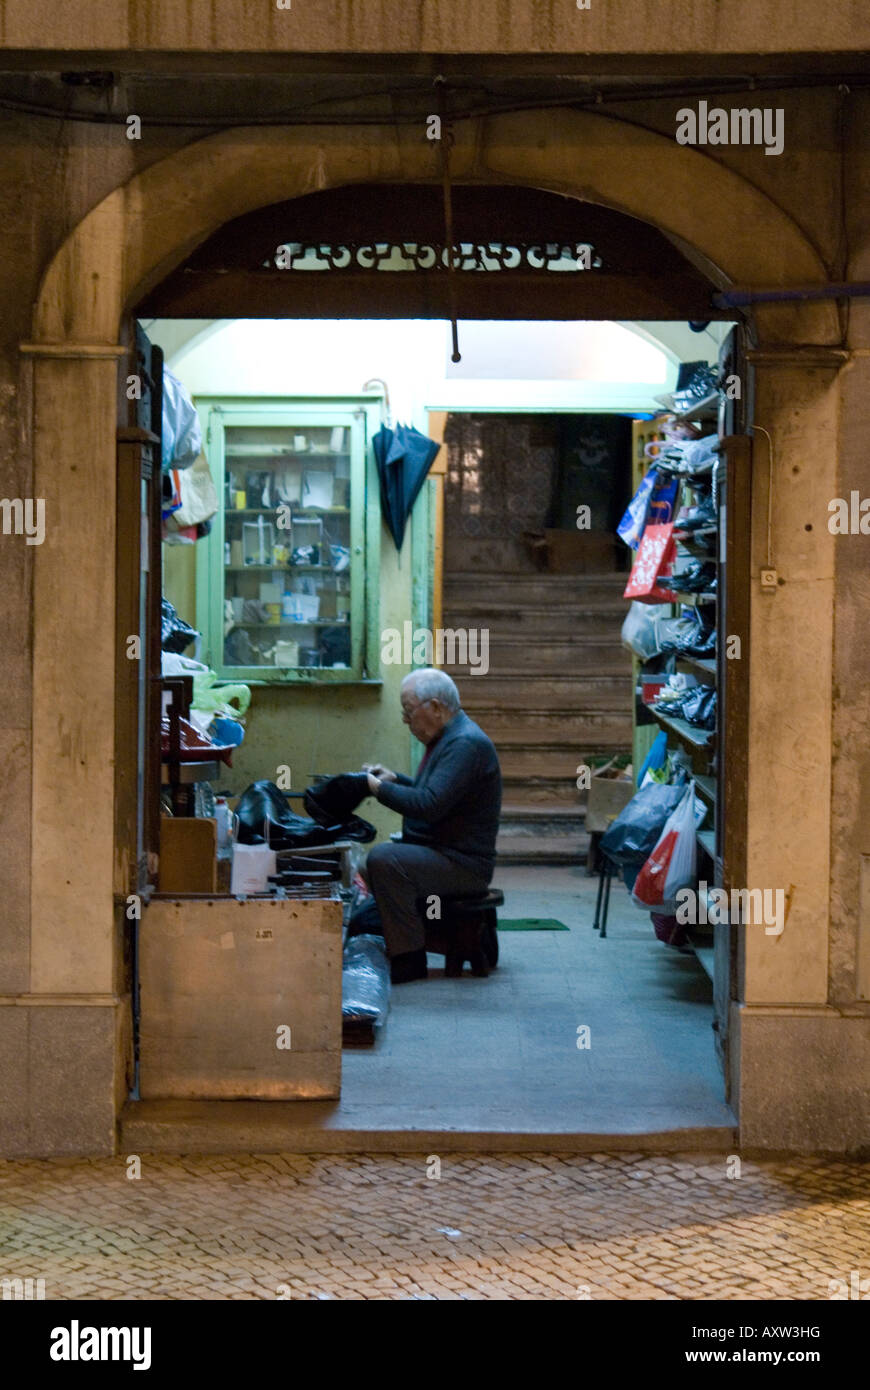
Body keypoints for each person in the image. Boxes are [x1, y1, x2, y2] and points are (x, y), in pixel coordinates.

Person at [363, 668, 502, 983]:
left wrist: (376, 789)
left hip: (464, 863)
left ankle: (409, 958)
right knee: (366, 869)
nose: (405, 720)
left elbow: (428, 805)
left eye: (409, 711)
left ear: (436, 708)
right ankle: (431, 935)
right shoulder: (451, 738)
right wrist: (395, 780)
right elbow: (436, 794)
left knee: (383, 859)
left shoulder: (465, 744)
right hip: (444, 852)